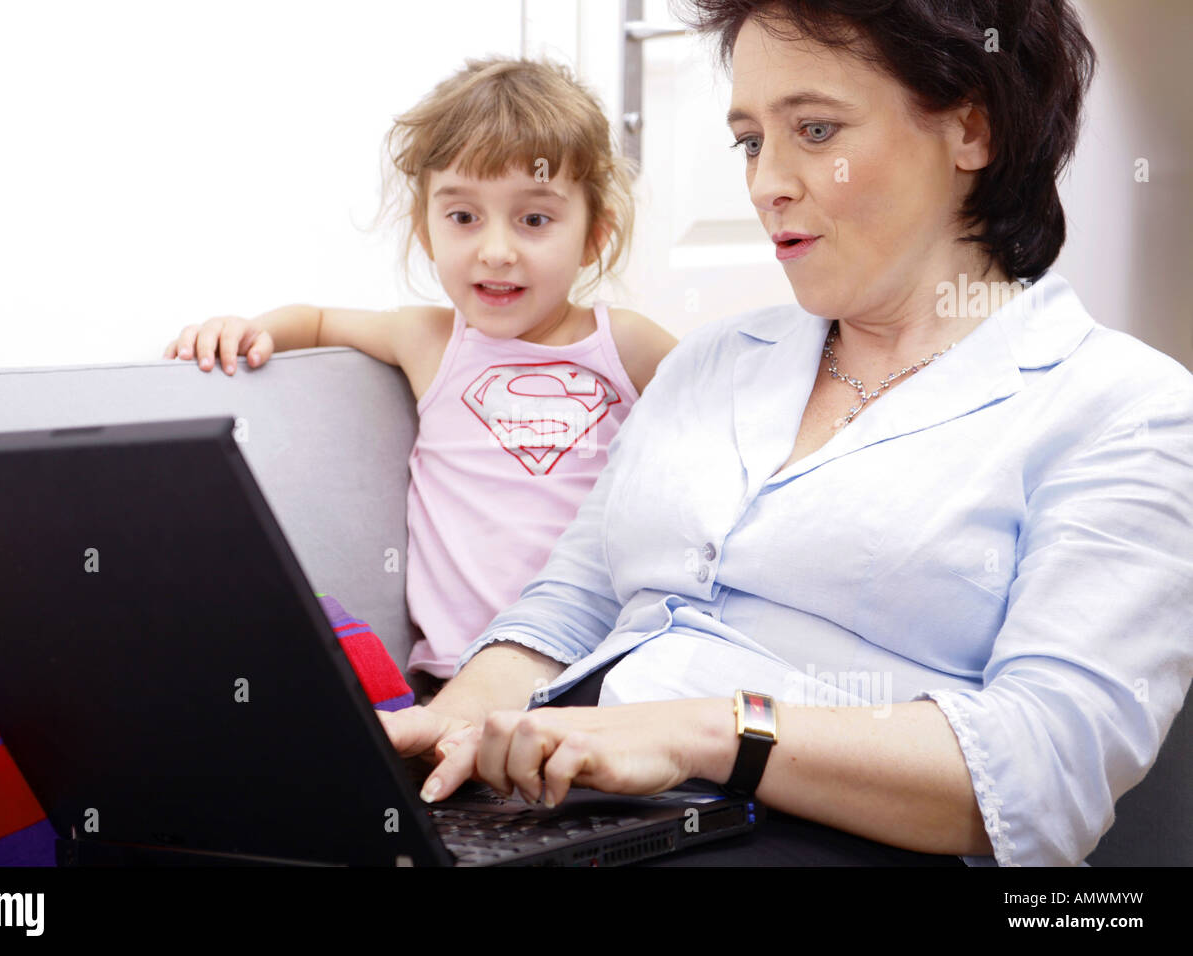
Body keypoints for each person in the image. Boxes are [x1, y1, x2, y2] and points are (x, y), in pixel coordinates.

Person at [378, 0, 1193, 866]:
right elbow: (574, 601)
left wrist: (711, 733)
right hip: (591, 813)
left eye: (814, 129)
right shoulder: (712, 362)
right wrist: (457, 723)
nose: (767, 181)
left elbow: (1047, 772)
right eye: (751, 141)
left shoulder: (1124, 409)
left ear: (972, 129)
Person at [162, 57, 678, 688]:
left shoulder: (624, 345)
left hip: (594, 665)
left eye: (535, 219)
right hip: (449, 674)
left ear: (594, 235)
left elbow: (726, 404)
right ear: (427, 231)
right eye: (463, 217)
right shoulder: (430, 340)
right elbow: (319, 320)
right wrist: (249, 327)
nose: (495, 250)